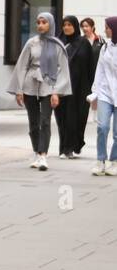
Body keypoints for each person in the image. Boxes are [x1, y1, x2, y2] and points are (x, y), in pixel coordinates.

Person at [8, 11, 72, 171]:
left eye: (44, 22)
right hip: (30, 83)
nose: (40, 25)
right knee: (33, 122)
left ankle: (43, 155)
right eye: (38, 22)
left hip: (49, 84)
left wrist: (57, 92)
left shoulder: (58, 45)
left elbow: (62, 69)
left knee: (45, 120)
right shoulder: (31, 42)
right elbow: (22, 65)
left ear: (50, 24)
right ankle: (36, 152)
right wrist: (19, 89)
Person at [60, 15, 93, 158]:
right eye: (64, 24)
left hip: (81, 87)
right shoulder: (60, 42)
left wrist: (93, 89)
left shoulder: (83, 43)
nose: (66, 27)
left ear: (75, 26)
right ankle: (66, 148)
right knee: (66, 118)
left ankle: (77, 143)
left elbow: (91, 66)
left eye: (69, 24)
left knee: (80, 118)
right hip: (63, 87)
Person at [89, 16, 117, 176]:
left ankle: (114, 161)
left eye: (107, 27)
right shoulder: (105, 47)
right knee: (102, 127)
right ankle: (100, 160)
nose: (105, 30)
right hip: (106, 93)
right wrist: (95, 93)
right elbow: (99, 70)